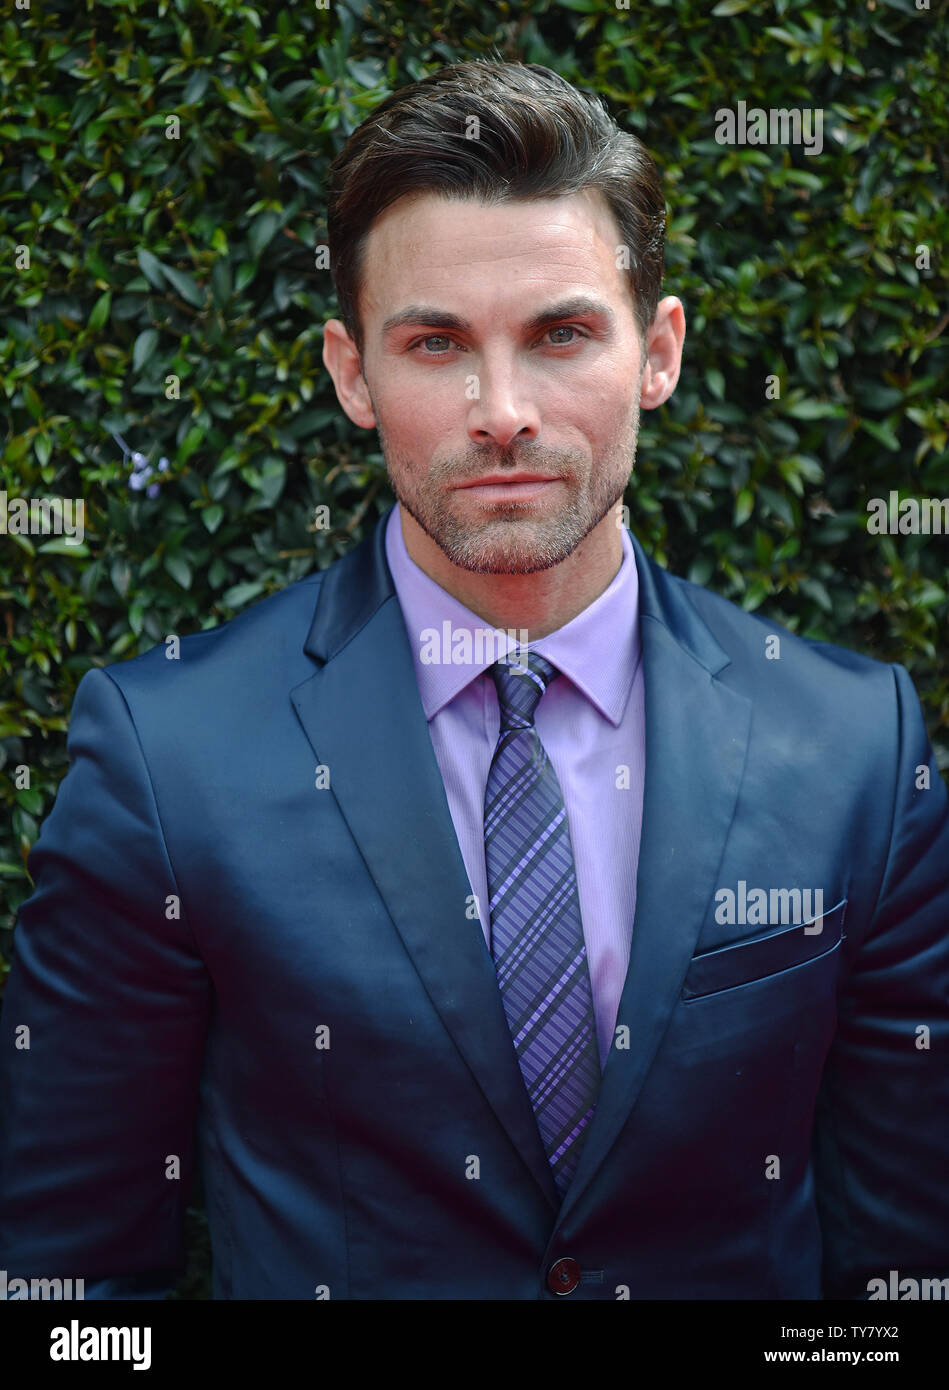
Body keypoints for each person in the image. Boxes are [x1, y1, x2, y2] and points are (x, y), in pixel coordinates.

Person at [1, 59, 947, 1301]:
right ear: (351, 374)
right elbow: (68, 1287)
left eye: (560, 334)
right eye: (437, 342)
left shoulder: (854, 750)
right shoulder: (170, 758)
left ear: (657, 353)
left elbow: (907, 1271)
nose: (501, 411)